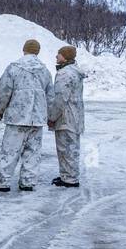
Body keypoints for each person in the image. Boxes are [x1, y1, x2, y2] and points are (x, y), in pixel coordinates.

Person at [0, 38, 53, 192]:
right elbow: (50, 96)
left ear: (24, 49)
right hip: (37, 120)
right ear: (37, 52)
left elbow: (4, 90)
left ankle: (2, 182)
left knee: (10, 150)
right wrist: (49, 116)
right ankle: (27, 182)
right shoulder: (45, 71)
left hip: (17, 117)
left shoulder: (14, 68)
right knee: (32, 152)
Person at [47, 45, 86, 188]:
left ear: (66, 56)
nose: (56, 56)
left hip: (66, 117)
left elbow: (60, 98)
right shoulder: (74, 72)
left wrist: (52, 117)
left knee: (66, 149)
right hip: (74, 116)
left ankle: (70, 179)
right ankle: (67, 176)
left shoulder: (65, 74)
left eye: (59, 54)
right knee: (70, 148)